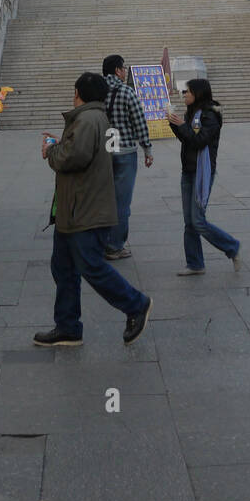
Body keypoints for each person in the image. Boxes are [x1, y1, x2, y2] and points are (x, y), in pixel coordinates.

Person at [36, 73, 152, 347]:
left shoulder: (87, 119)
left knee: (91, 266)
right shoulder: (93, 117)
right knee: (63, 267)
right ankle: (67, 327)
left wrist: (52, 152)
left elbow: (73, 157)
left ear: (79, 92)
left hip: (85, 209)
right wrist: (61, 144)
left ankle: (136, 304)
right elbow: (79, 150)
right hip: (73, 208)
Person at [166, 79, 240, 275]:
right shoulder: (191, 113)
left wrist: (182, 125)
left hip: (202, 172)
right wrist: (174, 123)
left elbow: (199, 141)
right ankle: (195, 263)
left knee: (198, 221)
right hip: (188, 171)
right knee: (189, 222)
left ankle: (231, 246)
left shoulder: (210, 116)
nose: (184, 95)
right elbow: (187, 138)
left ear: (197, 94)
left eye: (187, 92)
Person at [101, 54, 154, 260]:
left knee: (104, 200)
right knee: (121, 202)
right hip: (124, 152)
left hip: (103, 152)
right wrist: (147, 149)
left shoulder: (96, 92)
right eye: (123, 68)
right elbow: (139, 122)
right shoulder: (126, 91)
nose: (125, 72)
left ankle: (103, 241)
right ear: (117, 71)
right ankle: (115, 246)